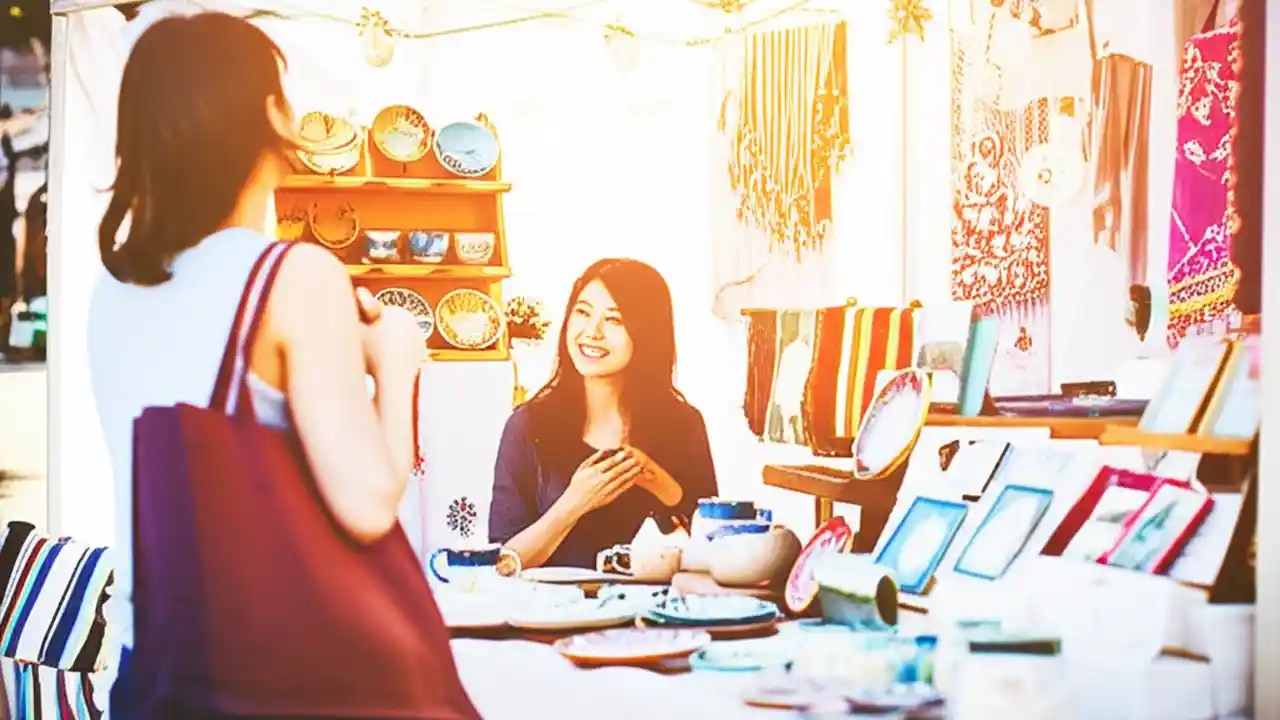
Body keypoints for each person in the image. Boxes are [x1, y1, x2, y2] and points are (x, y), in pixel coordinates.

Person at [87, 13, 476, 718]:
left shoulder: (113, 291)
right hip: (267, 680)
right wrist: (394, 361)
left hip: (152, 668)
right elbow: (366, 504)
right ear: (270, 113)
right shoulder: (292, 274)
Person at [489, 258, 719, 569]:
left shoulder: (683, 424)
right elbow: (503, 564)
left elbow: (714, 545)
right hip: (554, 614)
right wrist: (577, 501)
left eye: (615, 320)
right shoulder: (528, 426)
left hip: (654, 613)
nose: (592, 332)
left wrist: (657, 480)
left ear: (647, 334)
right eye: (582, 312)